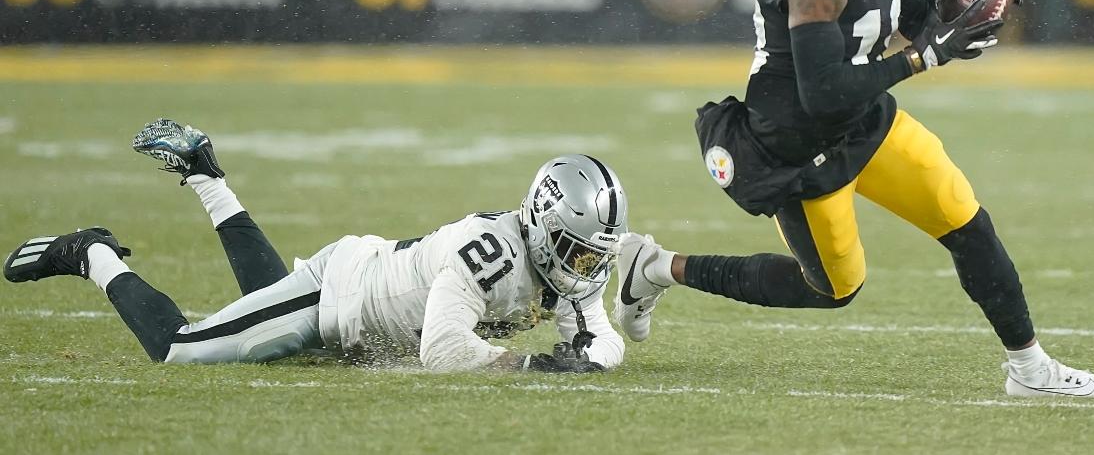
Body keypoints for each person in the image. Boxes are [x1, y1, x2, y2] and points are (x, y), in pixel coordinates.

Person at [611, 0, 1094, 398]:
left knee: (965, 219)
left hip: (863, 117)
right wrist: (926, 55)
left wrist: (969, 13)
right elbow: (824, 90)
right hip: (800, 141)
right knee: (832, 288)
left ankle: (1030, 370)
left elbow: (906, 9)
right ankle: (655, 267)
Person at [5, 119, 627, 373]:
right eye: (578, 251)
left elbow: (605, 336)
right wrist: (533, 366)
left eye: (593, 254)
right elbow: (441, 349)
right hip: (341, 295)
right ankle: (90, 253)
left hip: (358, 302)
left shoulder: (574, 262)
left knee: (261, 305)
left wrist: (593, 360)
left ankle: (204, 172)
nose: (587, 267)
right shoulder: (489, 252)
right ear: (545, 223)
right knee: (181, 351)